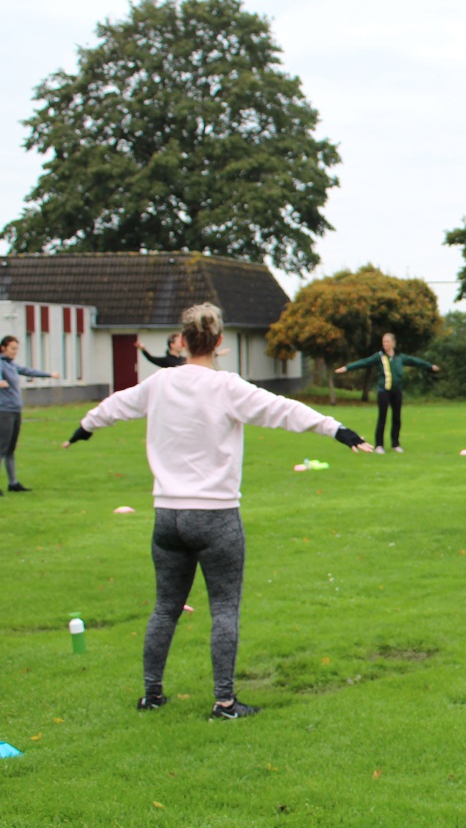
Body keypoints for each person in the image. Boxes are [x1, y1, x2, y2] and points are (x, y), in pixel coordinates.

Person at [63, 304, 371, 719]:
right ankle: (224, 703)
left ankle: (152, 696)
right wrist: (338, 430)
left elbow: (114, 406)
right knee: (224, 608)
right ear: (219, 342)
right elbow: (285, 410)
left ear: (184, 341)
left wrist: (84, 427)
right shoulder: (227, 386)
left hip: (167, 517)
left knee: (165, 607)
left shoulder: (159, 383)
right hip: (215, 517)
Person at [335, 334, 440, 453]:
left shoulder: (400, 357)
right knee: (382, 418)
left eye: (387, 342)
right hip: (383, 391)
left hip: (397, 391)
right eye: (384, 342)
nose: (385, 344)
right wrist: (347, 368)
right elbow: (364, 362)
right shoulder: (379, 356)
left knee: (397, 418)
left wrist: (430, 366)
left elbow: (415, 361)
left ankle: (396, 444)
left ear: (393, 343)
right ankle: (379, 445)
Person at [0, 335, 60, 494]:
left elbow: (27, 371)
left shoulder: (11, 365)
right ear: (3, 348)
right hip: (3, 411)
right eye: (12, 348)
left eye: (16, 349)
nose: (15, 352)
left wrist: (49, 375)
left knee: (11, 449)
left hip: (15, 410)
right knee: (2, 448)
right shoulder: (0, 364)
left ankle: (13, 483)